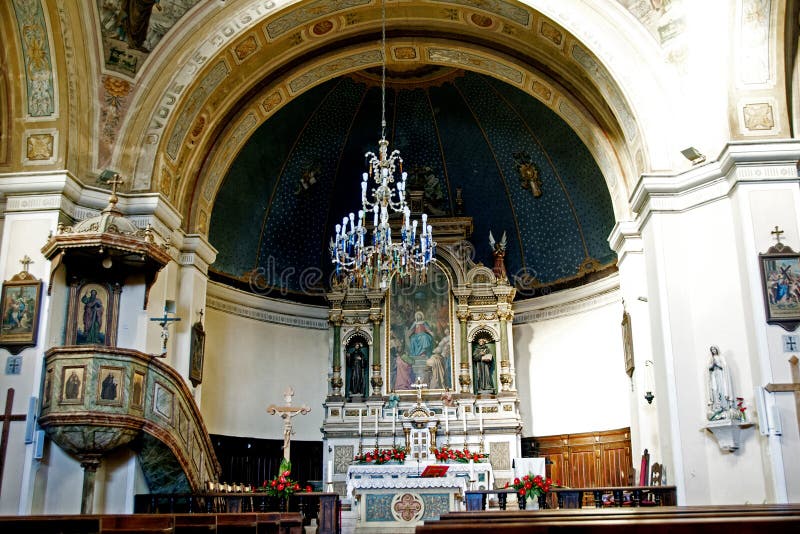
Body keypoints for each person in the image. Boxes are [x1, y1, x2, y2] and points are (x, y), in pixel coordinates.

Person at [707, 345, 733, 421]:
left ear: (716, 350)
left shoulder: (721, 357)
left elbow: (724, 366)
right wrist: (711, 366)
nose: (713, 351)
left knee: (721, 389)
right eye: (712, 350)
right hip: (714, 375)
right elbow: (708, 368)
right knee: (715, 390)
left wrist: (718, 365)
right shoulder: (711, 359)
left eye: (714, 349)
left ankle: (724, 406)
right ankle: (717, 407)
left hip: (720, 375)